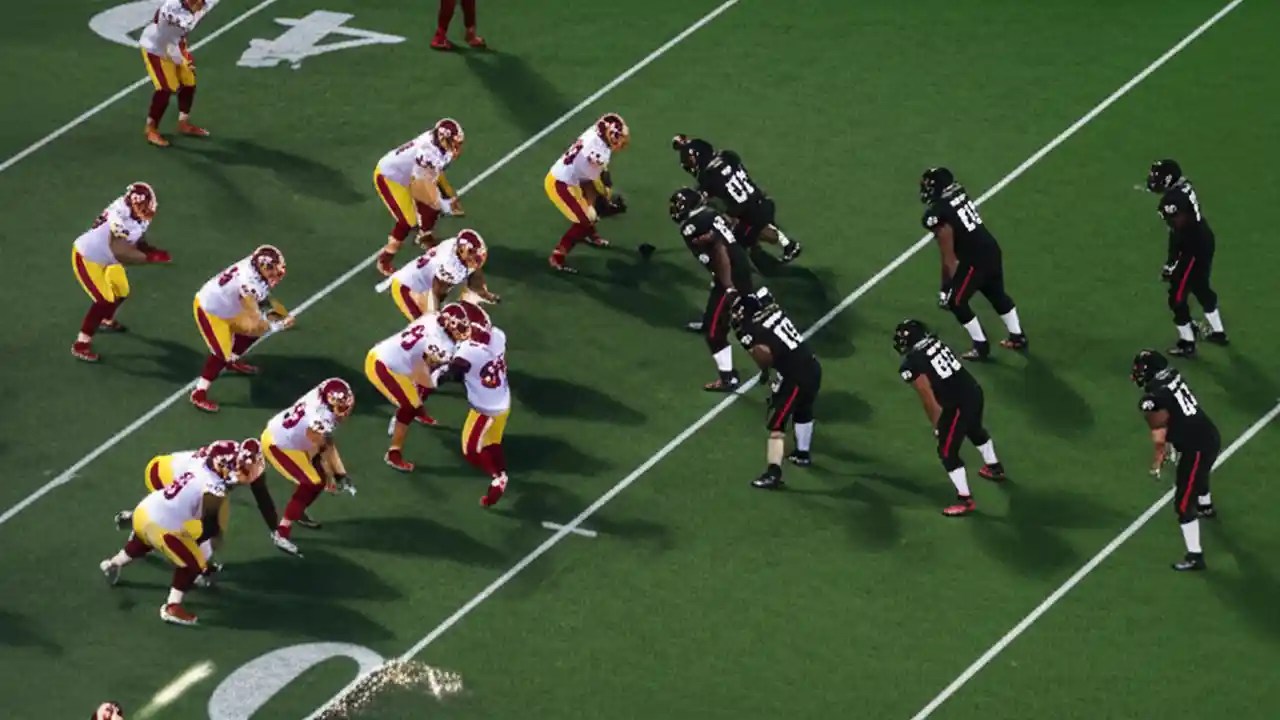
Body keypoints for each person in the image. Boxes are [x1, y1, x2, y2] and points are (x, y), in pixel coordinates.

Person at [894, 319, 1005, 516]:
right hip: (973, 391)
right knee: (974, 429)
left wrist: (938, 425)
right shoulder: (935, 342)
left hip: (958, 405)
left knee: (946, 452)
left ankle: (965, 500)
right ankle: (994, 467)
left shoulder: (912, 364)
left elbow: (927, 396)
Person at [919, 167, 1026, 359]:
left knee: (956, 302)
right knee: (996, 294)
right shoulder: (959, 193)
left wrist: (946, 287)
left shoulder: (938, 213)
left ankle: (980, 346)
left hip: (975, 260)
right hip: (991, 249)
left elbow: (948, 255)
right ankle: (1018, 337)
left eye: (929, 186)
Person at [1131, 349, 1219, 571]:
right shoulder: (1172, 376)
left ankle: (1195, 556)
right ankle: (1206, 506)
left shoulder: (1156, 395)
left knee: (1183, 503)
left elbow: (1156, 418)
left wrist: (1160, 449)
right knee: (1199, 474)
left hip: (1196, 447)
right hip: (1206, 435)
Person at [731, 288, 821, 489]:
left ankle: (773, 474)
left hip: (795, 376)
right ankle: (802, 453)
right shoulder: (776, 312)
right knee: (804, 408)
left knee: (776, 426)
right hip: (813, 367)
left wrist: (748, 343)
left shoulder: (755, 329)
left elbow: (765, 357)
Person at [1145, 159, 1228, 356]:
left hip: (1191, 248)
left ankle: (1187, 342)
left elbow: (1178, 234)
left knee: (1176, 297)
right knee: (1200, 286)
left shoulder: (1171, 202)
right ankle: (1218, 332)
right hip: (1204, 238)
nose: (1152, 179)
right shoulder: (1183, 187)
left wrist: (1171, 263)